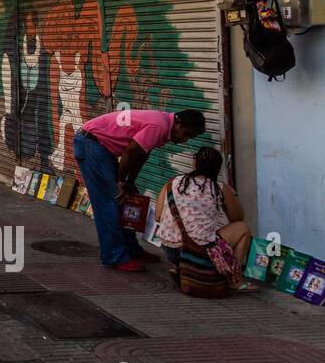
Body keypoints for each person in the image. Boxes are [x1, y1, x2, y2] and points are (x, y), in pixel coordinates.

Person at [73, 107, 207, 272]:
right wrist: (121, 181)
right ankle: (114, 257)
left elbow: (142, 154)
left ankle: (131, 250)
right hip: (91, 145)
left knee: (125, 200)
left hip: (99, 147)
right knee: (109, 202)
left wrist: (130, 182)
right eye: (185, 133)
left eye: (189, 138)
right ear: (178, 122)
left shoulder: (164, 126)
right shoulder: (160, 125)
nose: (184, 140)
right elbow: (131, 150)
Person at [157, 147, 255, 292]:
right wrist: (232, 195)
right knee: (243, 229)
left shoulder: (171, 183)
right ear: (217, 169)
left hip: (170, 250)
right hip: (198, 252)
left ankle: (182, 268)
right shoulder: (219, 188)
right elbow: (237, 218)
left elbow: (158, 216)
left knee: (201, 234)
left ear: (194, 164)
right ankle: (235, 280)